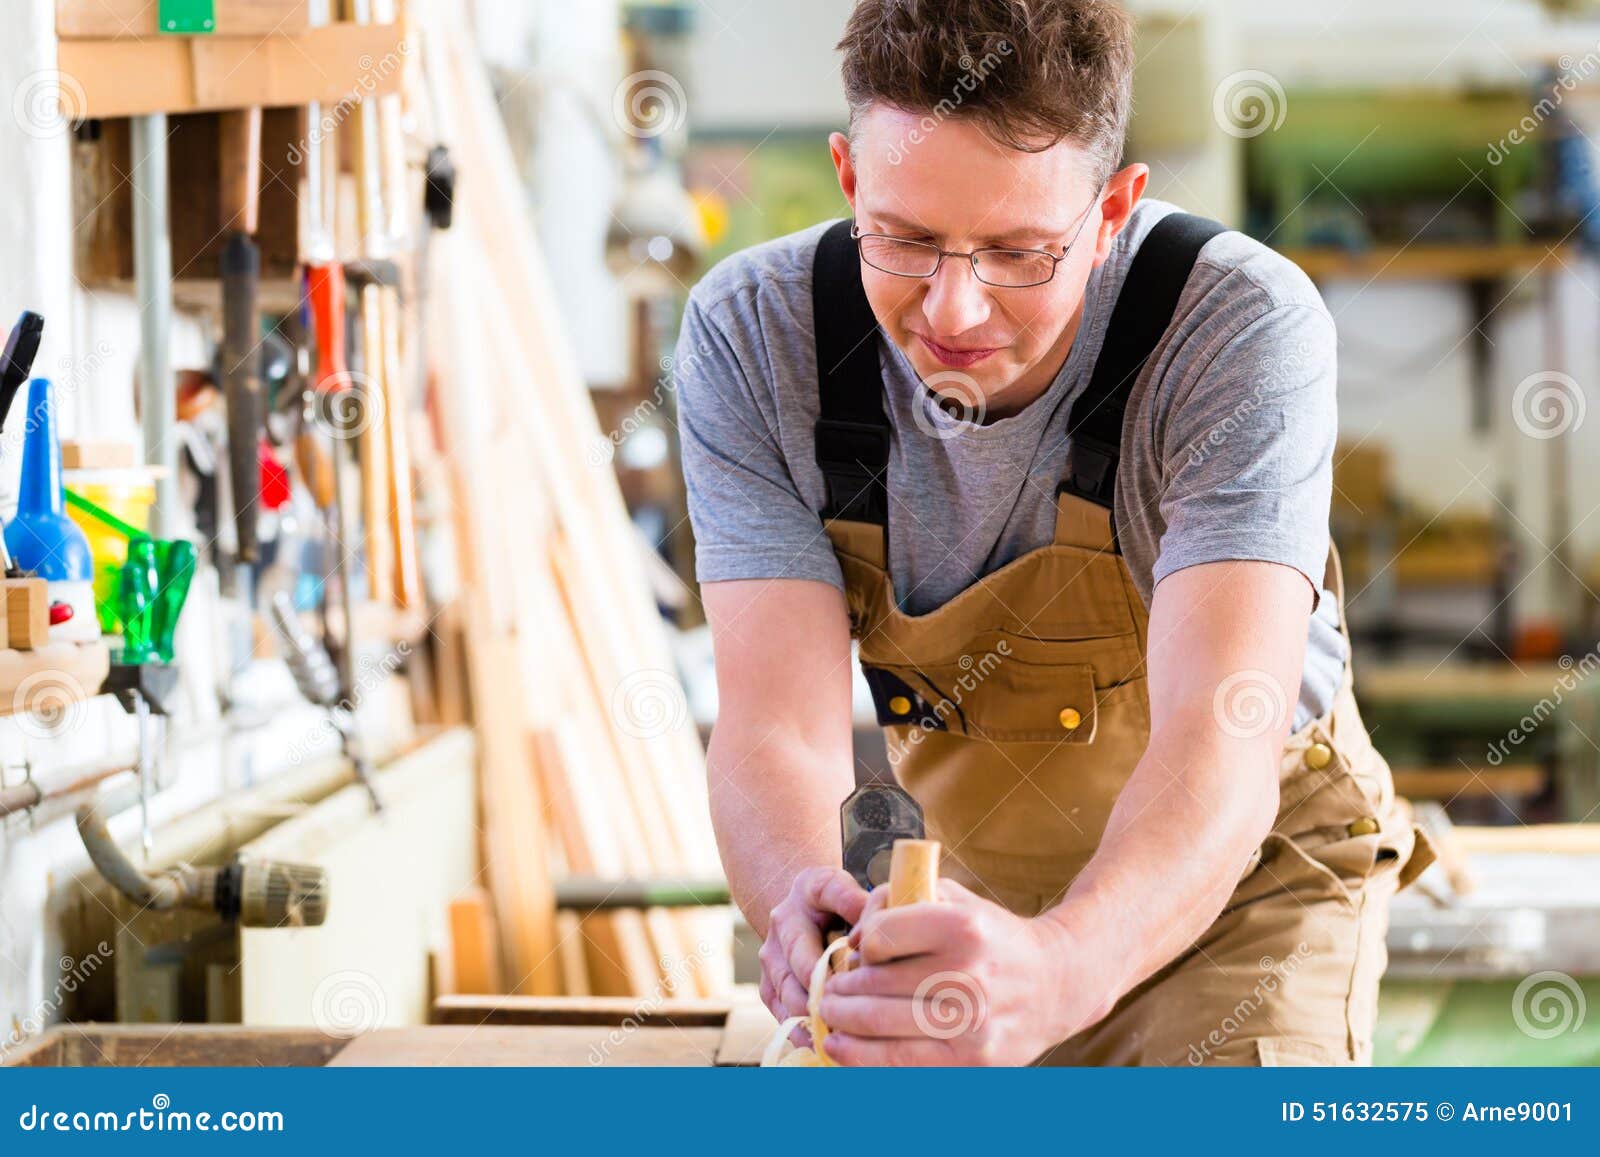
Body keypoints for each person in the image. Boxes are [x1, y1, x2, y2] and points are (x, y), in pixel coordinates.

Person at [675, 0, 1434, 1066]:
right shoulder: (754, 336)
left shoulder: (1234, 330)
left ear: (1114, 207)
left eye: (1018, 252)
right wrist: (808, 906)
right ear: (849, 180)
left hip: (1245, 891)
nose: (954, 309)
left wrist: (1064, 970)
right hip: (978, 898)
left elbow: (1218, 733)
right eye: (904, 239)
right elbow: (776, 728)